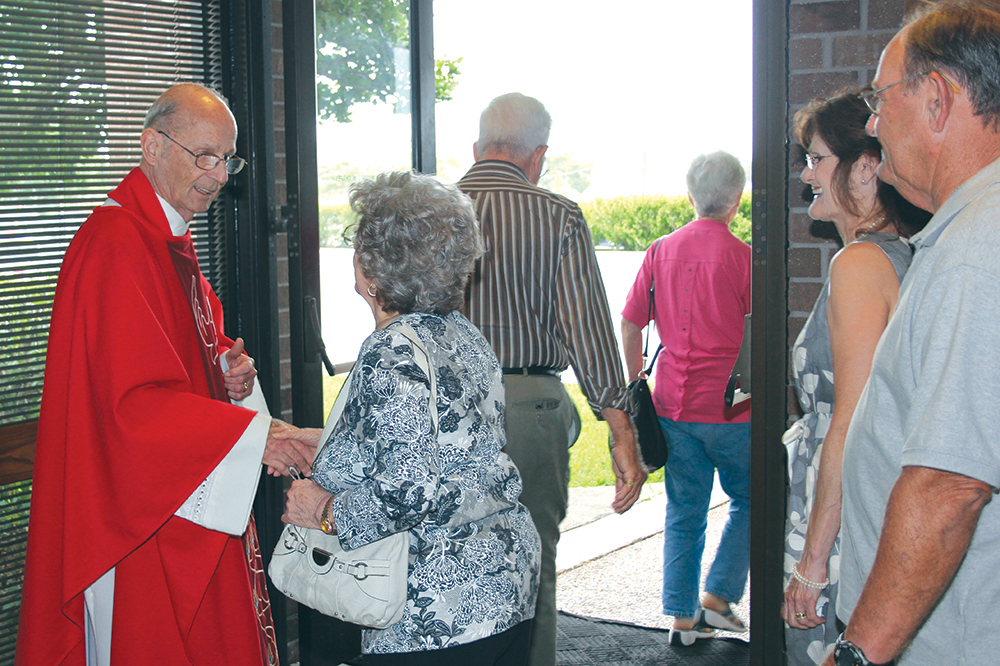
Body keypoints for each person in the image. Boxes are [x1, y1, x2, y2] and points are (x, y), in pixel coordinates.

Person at [16, 83, 313, 666]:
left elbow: (186, 340)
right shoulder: (114, 243)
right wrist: (261, 436)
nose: (218, 174)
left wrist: (226, 364)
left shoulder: (164, 235)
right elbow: (130, 405)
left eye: (228, 158)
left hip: (186, 486)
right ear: (152, 146)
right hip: (139, 508)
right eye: (204, 155)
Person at [276, 171, 541, 665]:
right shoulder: (461, 333)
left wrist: (322, 512)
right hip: (503, 585)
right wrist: (329, 446)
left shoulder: (392, 350)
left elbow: (407, 490)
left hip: (434, 610)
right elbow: (450, 445)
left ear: (373, 270)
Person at [825, 3, 1000, 665]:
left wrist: (858, 654)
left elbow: (950, 488)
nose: (871, 124)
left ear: (936, 99)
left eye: (879, 99)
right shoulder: (971, 228)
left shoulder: (979, 246)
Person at [457, 92, 646, 666]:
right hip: (530, 407)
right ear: (538, 157)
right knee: (532, 563)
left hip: (443, 406)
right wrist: (622, 431)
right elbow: (587, 329)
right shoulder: (558, 215)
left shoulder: (432, 210)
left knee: (443, 557)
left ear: (476, 148)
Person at [780, 90, 929, 665]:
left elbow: (852, 417)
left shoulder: (862, 264)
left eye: (816, 159)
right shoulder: (899, 254)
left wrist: (814, 564)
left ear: (866, 166)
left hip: (845, 517)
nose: (806, 175)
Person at [621, 151, 751, 647]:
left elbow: (631, 321)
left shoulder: (659, 250)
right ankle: (718, 595)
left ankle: (681, 615)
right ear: (736, 200)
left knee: (685, 510)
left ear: (690, 196)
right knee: (751, 500)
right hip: (733, 409)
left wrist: (636, 377)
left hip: (673, 404)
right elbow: (756, 333)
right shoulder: (743, 258)